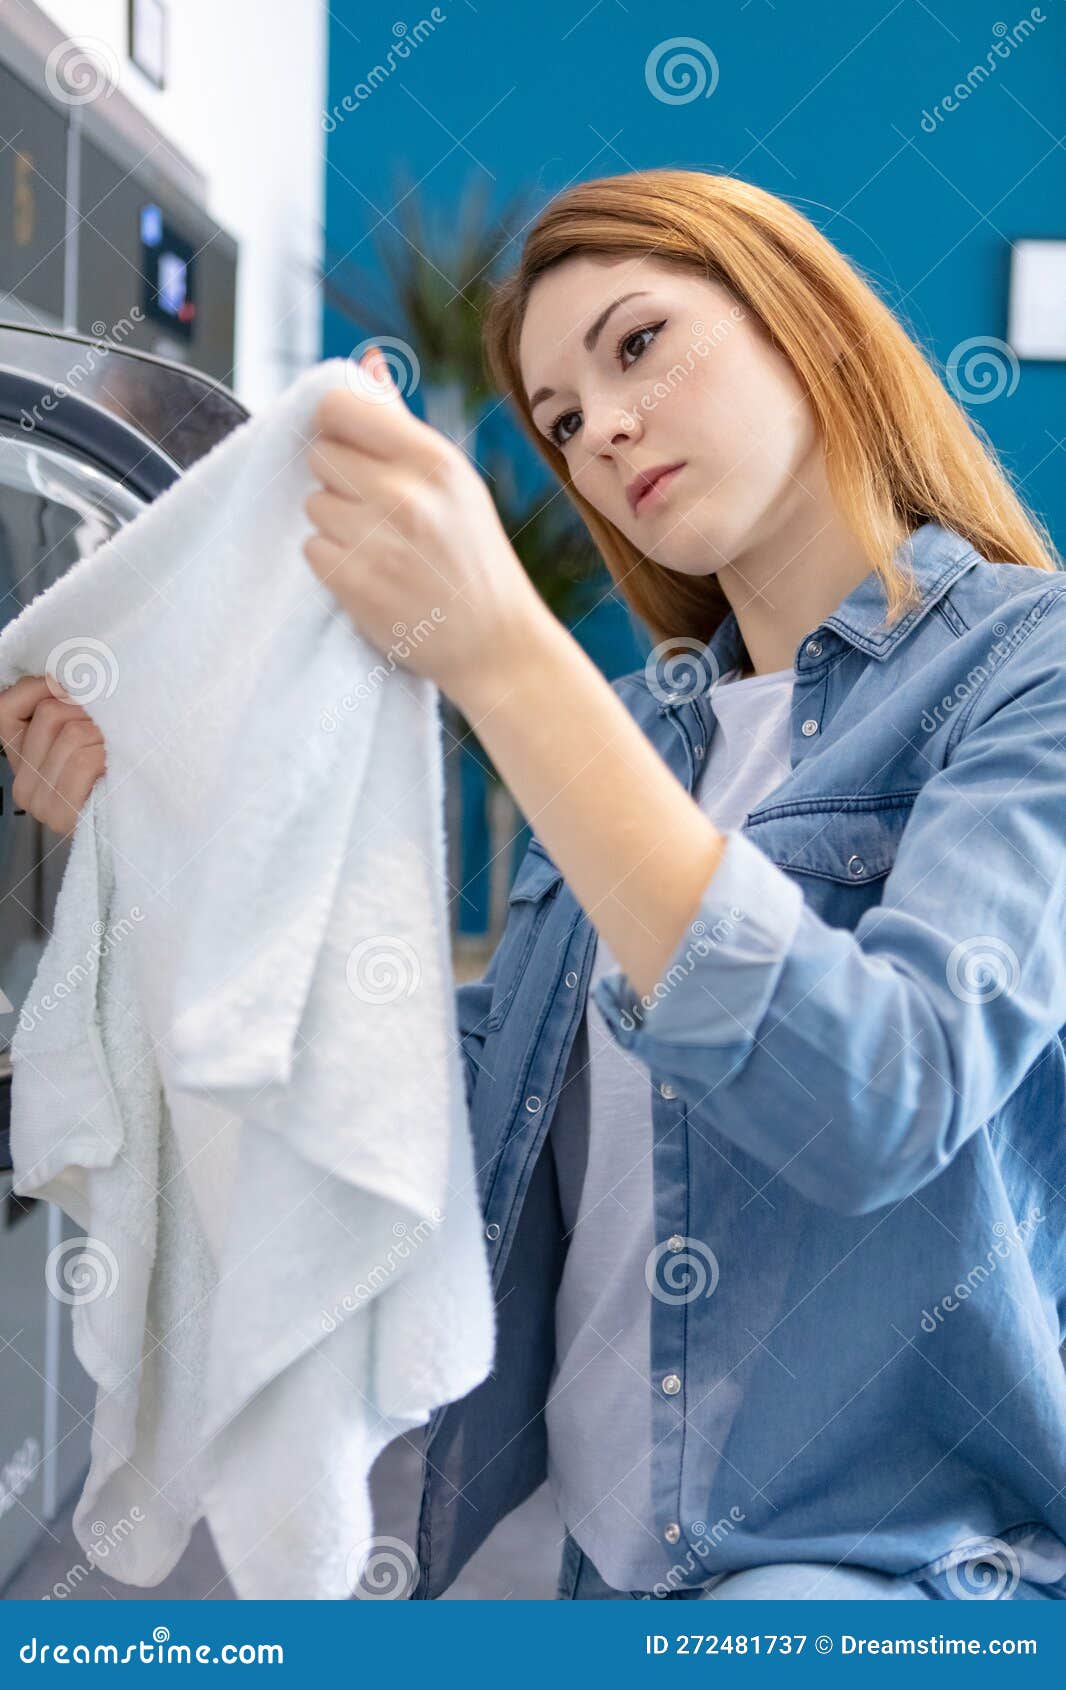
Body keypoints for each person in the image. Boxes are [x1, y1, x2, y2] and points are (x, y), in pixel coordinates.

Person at [3, 168, 1065, 1603]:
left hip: (886, 1579)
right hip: (589, 1552)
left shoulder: (1027, 668)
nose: (601, 429)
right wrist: (151, 847)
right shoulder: (641, 733)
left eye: (638, 345)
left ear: (805, 318)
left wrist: (503, 654)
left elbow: (887, 1091)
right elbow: (454, 1094)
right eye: (559, 421)